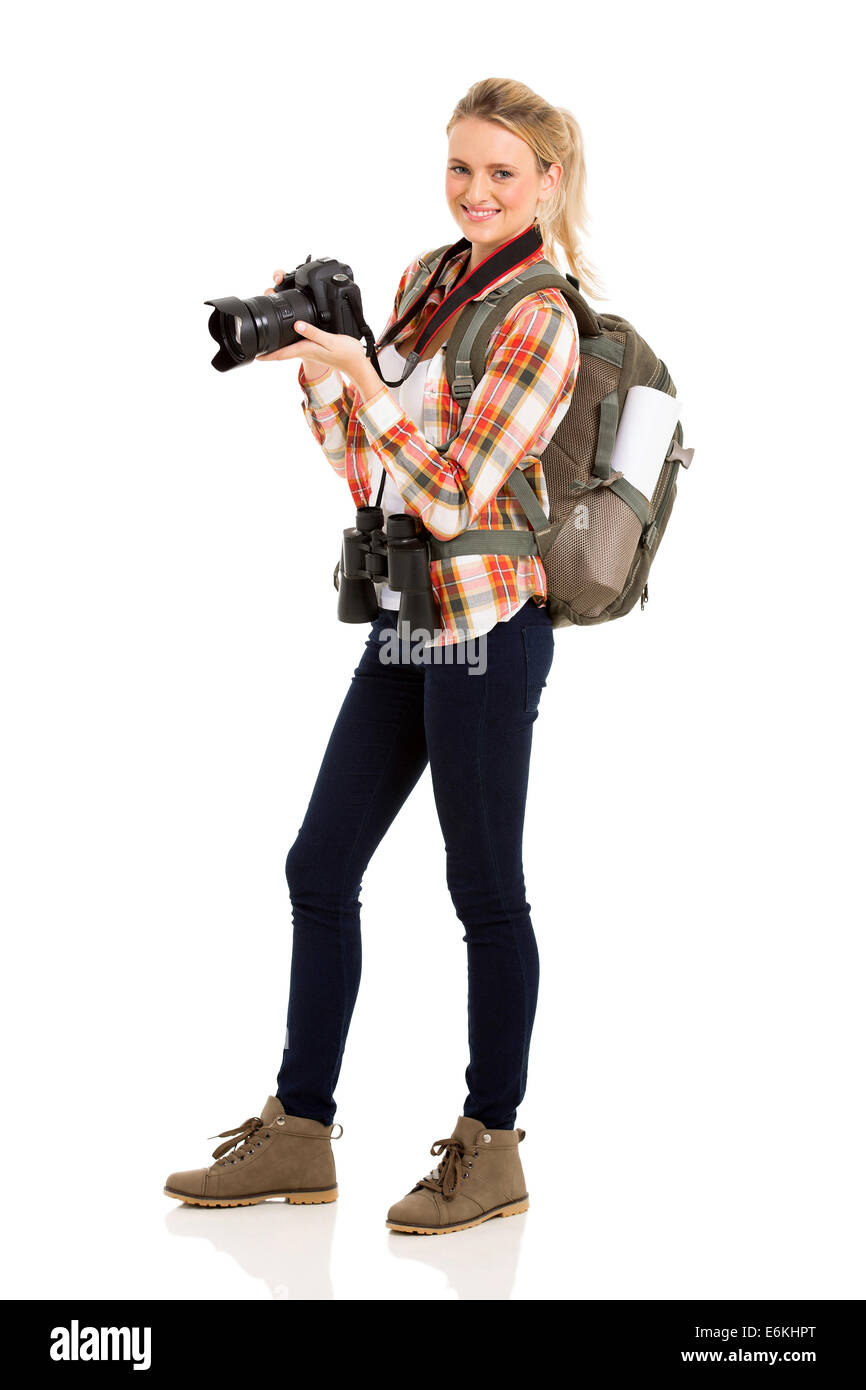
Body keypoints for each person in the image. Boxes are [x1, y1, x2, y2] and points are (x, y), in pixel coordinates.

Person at [164, 76, 604, 1235]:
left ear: (547, 183)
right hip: (409, 618)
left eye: (501, 173)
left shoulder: (538, 318)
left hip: (487, 629)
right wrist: (320, 368)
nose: (474, 191)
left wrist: (370, 383)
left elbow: (455, 498)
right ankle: (300, 1132)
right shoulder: (421, 281)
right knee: (319, 864)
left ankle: (490, 1142)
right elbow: (372, 476)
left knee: (483, 889)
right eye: (459, 167)